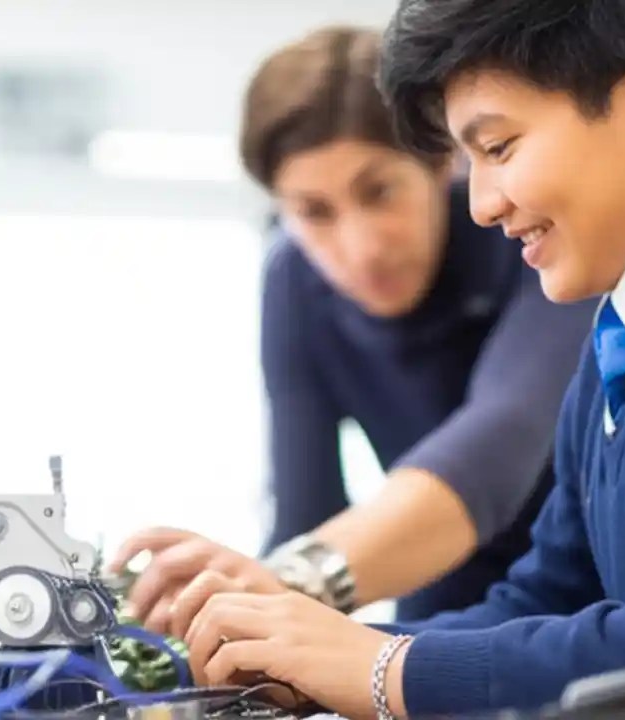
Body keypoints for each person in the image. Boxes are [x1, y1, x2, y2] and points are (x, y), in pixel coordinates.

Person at [160, 1, 625, 718]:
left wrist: (379, 664)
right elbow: (545, 600)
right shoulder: (624, 338)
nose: (483, 205)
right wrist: (307, 658)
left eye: (498, 149)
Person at [110, 26, 595, 630]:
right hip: (433, 597)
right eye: (314, 213)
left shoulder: (525, 229)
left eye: (380, 191)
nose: (360, 248)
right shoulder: (293, 281)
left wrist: (291, 583)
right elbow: (303, 514)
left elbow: (503, 439)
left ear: (442, 159)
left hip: (589, 606)